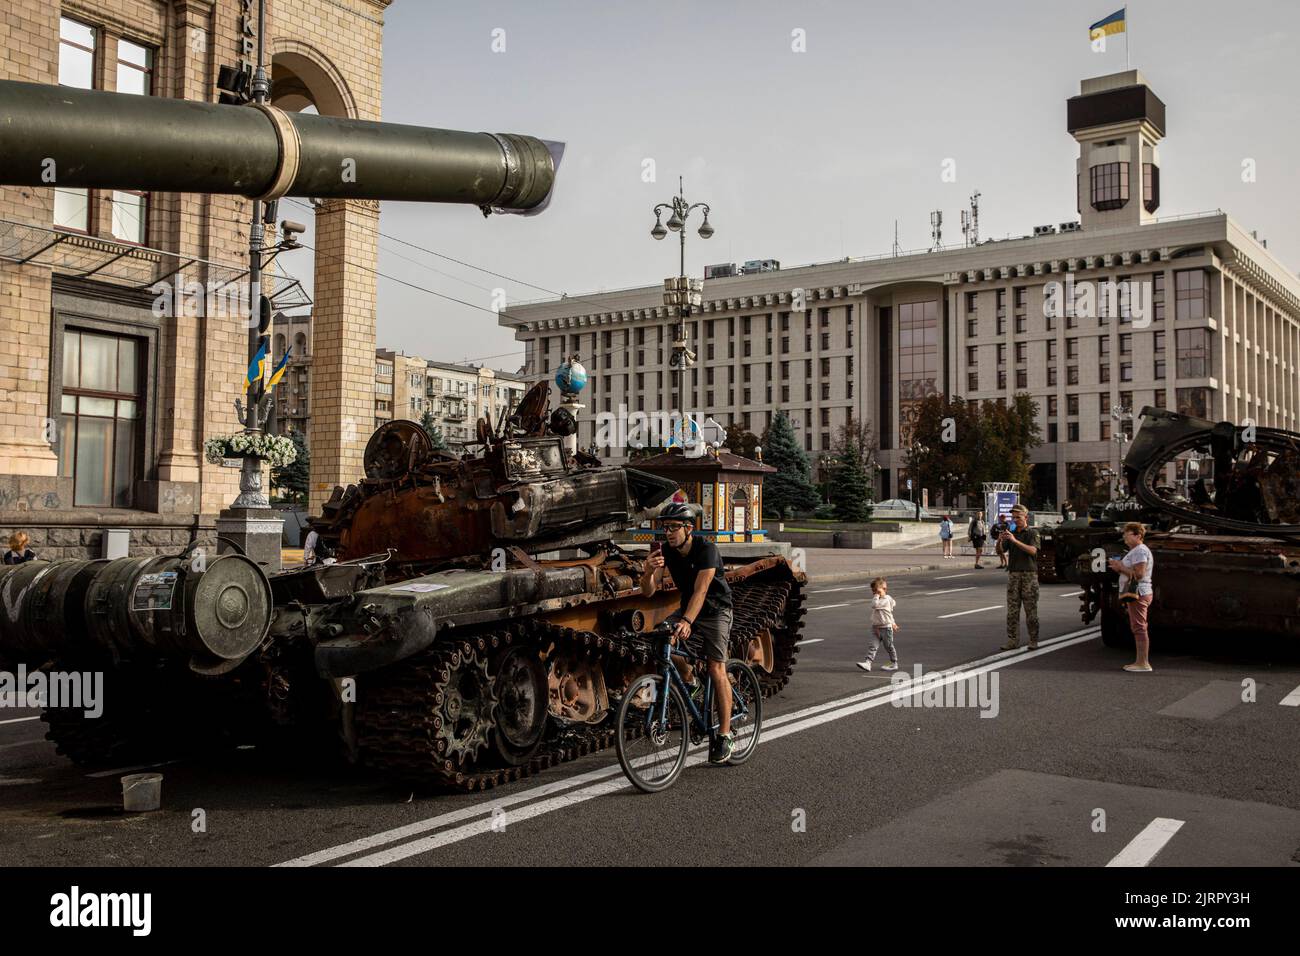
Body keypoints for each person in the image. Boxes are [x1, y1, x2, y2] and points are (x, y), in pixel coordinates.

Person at [639, 502, 737, 764]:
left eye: (673, 527)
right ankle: (690, 682)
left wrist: (687, 621)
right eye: (664, 527)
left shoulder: (707, 550)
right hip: (688, 611)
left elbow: (701, 590)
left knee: (717, 668)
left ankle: (725, 736)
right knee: (661, 642)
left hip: (715, 611)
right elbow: (648, 591)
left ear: (688, 528)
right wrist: (648, 571)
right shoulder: (666, 551)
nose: (668, 532)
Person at [1109, 521, 1155, 673]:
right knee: (1138, 626)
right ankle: (1139, 661)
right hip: (1139, 592)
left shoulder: (1140, 551)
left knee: (1139, 627)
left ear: (1138, 535)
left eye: (1127, 534)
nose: (1124, 537)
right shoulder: (1136, 550)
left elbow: (1139, 574)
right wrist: (1119, 567)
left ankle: (1143, 663)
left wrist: (1120, 567)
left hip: (1139, 593)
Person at [999, 504, 1041, 650]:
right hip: (1014, 574)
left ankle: (1033, 640)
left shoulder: (1032, 533)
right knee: (1012, 611)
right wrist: (1000, 540)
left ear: (1025, 517)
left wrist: (1014, 541)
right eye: (1013, 517)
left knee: (1030, 611)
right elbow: (1001, 551)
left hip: (1029, 575)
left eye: (1018, 517)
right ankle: (1012, 640)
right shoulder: (1012, 533)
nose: (1015, 520)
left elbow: (1033, 551)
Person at [857, 577, 899, 672]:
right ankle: (868, 663)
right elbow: (888, 611)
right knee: (873, 646)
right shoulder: (878, 599)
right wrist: (893, 621)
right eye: (873, 591)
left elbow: (875, 605)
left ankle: (894, 662)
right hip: (875, 628)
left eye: (876, 590)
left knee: (888, 646)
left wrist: (892, 623)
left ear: (884, 589)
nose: (874, 593)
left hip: (886, 629)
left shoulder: (885, 600)